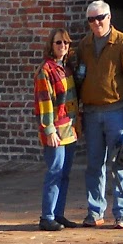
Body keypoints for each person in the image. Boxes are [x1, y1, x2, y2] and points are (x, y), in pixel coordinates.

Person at [76, 0, 123, 229]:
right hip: (92, 111)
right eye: (91, 20)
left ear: (109, 17)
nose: (96, 23)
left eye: (100, 18)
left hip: (116, 109)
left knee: (121, 162)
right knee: (94, 164)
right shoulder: (84, 45)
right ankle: (95, 212)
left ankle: (122, 213)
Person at [34, 28, 81, 232]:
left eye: (66, 43)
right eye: (58, 43)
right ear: (51, 46)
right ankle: (47, 216)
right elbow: (44, 103)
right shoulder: (46, 70)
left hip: (69, 128)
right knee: (55, 171)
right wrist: (49, 130)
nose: (63, 46)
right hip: (56, 129)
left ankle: (59, 213)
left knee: (65, 173)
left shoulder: (67, 68)